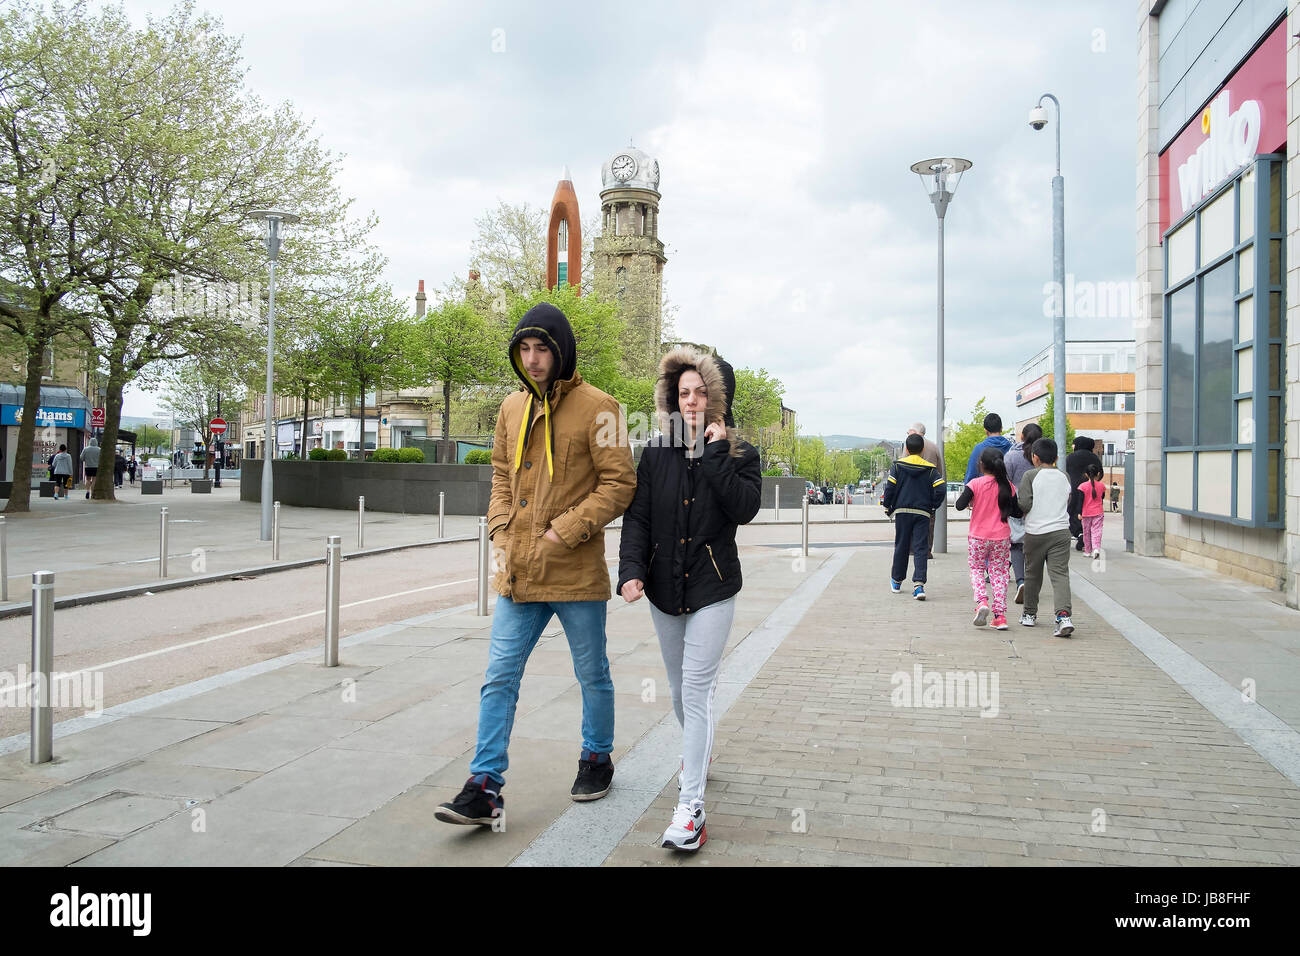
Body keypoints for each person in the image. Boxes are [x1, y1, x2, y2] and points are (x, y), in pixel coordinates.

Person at [435, 303, 636, 828]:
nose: (533, 359)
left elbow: (620, 485)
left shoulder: (602, 408)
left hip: (575, 572)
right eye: (524, 350)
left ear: (561, 350)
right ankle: (484, 787)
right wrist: (501, 528)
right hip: (519, 573)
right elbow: (501, 475)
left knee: (592, 674)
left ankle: (596, 759)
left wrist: (564, 530)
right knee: (498, 676)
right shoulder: (510, 409)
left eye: (542, 348)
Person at [617, 346, 761, 852]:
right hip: (663, 589)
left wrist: (716, 455)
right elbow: (638, 517)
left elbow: (744, 510)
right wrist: (631, 571)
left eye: (702, 393)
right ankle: (700, 754)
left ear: (717, 399)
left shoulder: (741, 454)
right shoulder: (655, 451)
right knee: (680, 695)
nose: (692, 401)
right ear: (672, 400)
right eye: (684, 394)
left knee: (696, 694)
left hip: (713, 588)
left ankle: (691, 807)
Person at [955, 447, 1022, 630]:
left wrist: (972, 500)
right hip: (1001, 536)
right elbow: (1017, 511)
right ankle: (1000, 616)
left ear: (982, 465)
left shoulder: (975, 484)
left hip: (978, 536)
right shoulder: (1008, 486)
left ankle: (982, 601)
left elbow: (959, 505)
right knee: (999, 573)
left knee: (977, 569)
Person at [1017, 438, 1074, 637]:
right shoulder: (1064, 476)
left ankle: (1029, 615)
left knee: (1033, 574)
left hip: (1036, 532)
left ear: (1035, 457)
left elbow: (1024, 504)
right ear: (1057, 457)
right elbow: (1067, 499)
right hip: (1061, 532)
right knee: (1060, 575)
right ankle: (1063, 616)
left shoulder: (1030, 475)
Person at [882, 433, 946, 600]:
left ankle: (896, 581)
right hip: (923, 513)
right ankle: (919, 586)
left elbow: (890, 488)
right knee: (920, 548)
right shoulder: (930, 469)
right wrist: (932, 505)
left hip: (902, 512)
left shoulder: (897, 466)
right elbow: (940, 489)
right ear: (923, 449)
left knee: (901, 546)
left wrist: (887, 505)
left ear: (907, 449)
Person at [1003, 423, 1042, 606]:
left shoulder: (1011, 456)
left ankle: (1021, 581)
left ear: (1022, 437)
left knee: (1016, 546)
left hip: (1017, 507)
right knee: (1035, 548)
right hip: (1040, 507)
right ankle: (1032, 583)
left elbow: (1005, 483)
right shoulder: (1042, 458)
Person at [908, 422, 945, 559]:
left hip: (911, 492)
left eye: (909, 431)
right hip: (929, 492)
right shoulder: (934, 447)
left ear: (915, 432)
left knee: (911, 519)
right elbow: (940, 471)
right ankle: (927, 549)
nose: (908, 434)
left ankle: (911, 548)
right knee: (929, 522)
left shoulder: (908, 447)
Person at [1064, 436, 1103, 551]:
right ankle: (1088, 536)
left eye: (1074, 444)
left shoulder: (1070, 457)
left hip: (1074, 490)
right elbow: (1100, 473)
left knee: (1074, 512)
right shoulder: (1094, 458)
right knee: (1089, 513)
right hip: (1091, 491)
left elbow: (1064, 471)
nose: (1072, 446)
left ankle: (1080, 534)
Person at [963, 413, 1013, 483]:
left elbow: (970, 477)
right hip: (1006, 491)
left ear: (985, 430)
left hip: (983, 491)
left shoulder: (978, 449)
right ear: (1001, 428)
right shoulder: (1011, 448)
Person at [1080, 463, 1107, 558]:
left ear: (1086, 474)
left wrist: (1079, 513)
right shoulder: (1102, 486)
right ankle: (1096, 549)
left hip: (1086, 513)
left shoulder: (1082, 486)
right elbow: (1102, 497)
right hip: (1098, 512)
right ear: (1098, 474)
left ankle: (1087, 551)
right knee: (1097, 531)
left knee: (1086, 532)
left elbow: (1080, 500)